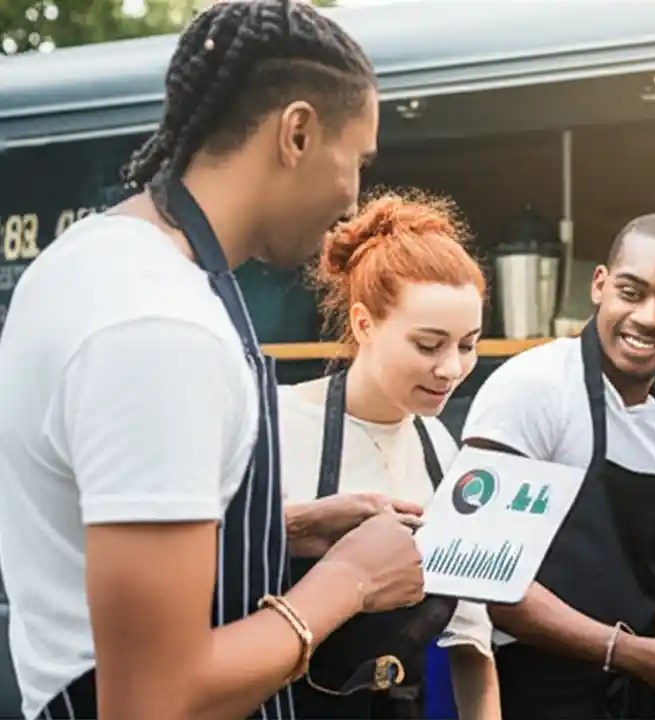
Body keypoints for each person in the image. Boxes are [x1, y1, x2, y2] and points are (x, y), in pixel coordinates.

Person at [0, 3, 427, 719]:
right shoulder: (159, 327)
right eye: (358, 160)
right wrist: (349, 580)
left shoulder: (92, 258)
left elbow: (93, 520)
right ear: (297, 132)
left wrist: (279, 529)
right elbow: (151, 700)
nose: (354, 201)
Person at [460, 213, 655, 720]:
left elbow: (637, 595)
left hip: (631, 699)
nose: (649, 318)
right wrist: (636, 655)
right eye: (631, 292)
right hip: (532, 694)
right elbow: (486, 578)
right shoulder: (535, 388)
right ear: (599, 285)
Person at [277, 192, 501, 719]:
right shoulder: (278, 425)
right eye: (429, 345)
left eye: (468, 344)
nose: (451, 368)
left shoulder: (441, 451)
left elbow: (471, 639)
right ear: (363, 324)